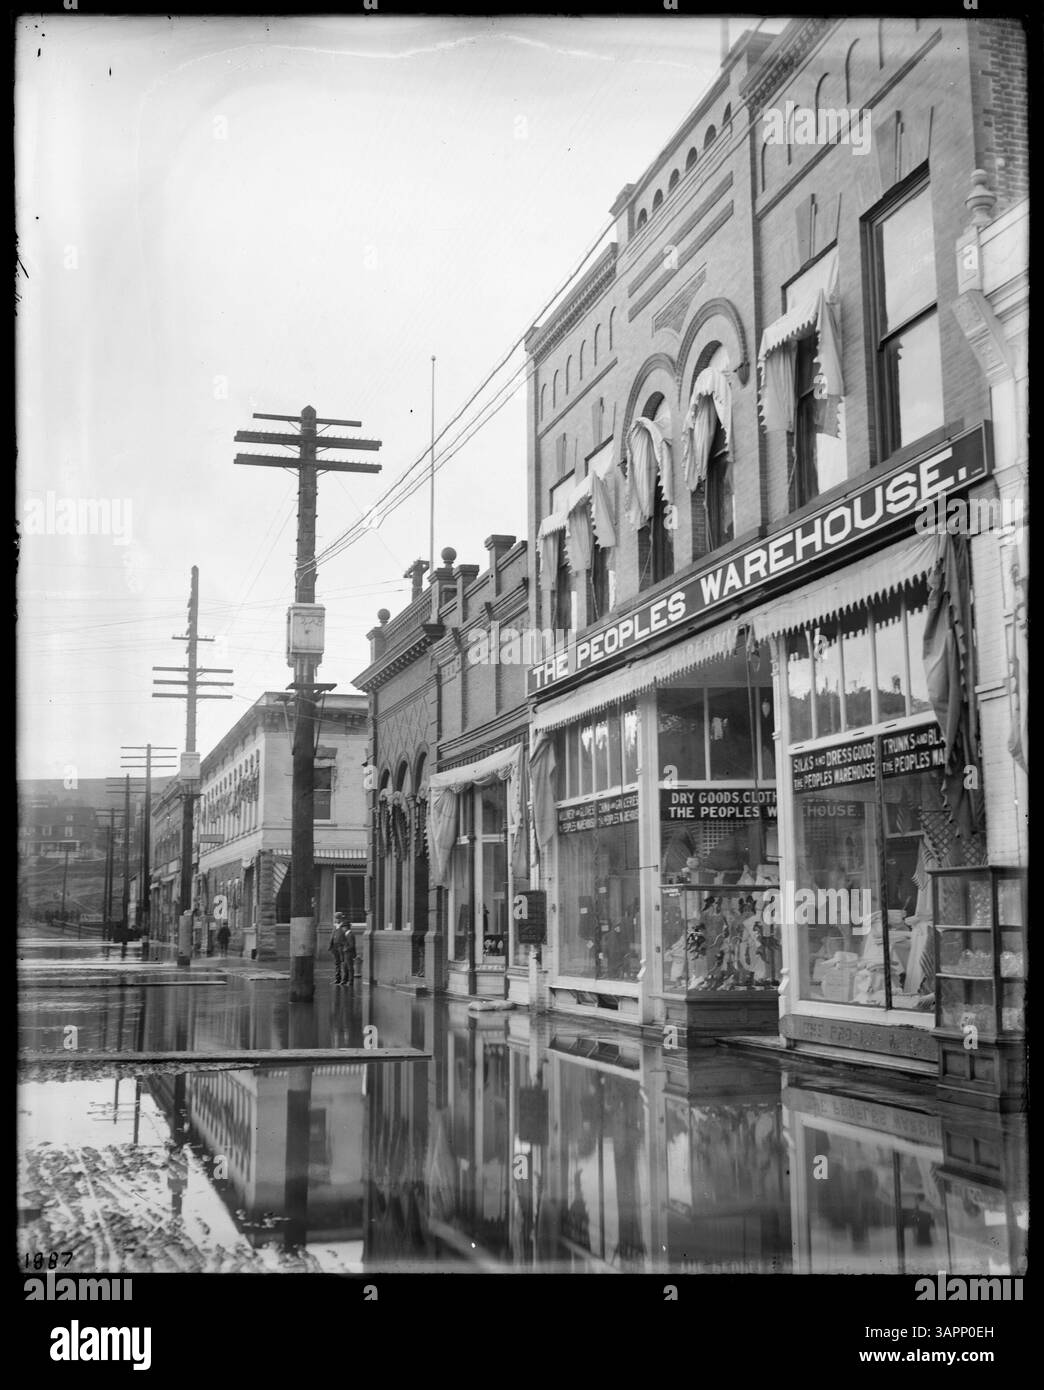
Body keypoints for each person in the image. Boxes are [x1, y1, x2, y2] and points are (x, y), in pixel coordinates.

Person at [330, 911, 350, 986]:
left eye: (336, 918)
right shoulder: (335, 926)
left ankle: (345, 979)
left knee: (344, 963)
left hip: (341, 946)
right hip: (335, 946)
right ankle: (337, 979)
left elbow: (346, 936)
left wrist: (345, 946)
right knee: (337, 963)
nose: (335, 920)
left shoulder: (345, 925)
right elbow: (333, 936)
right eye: (335, 918)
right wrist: (331, 945)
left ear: (340, 918)